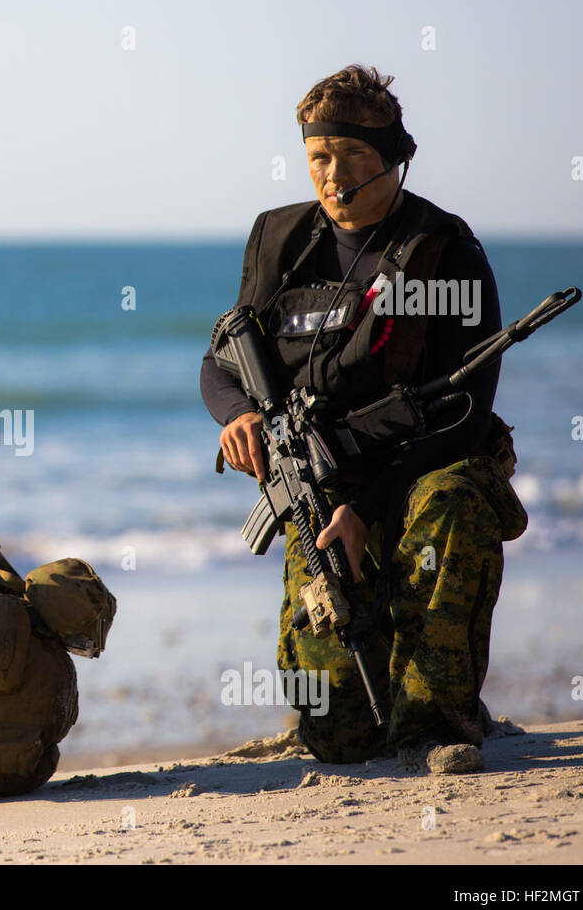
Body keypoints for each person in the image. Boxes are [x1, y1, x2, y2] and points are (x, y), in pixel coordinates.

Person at [199, 65, 528, 773]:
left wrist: (371, 504)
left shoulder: (444, 250)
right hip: (321, 482)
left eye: (353, 156)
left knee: (453, 501)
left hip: (425, 468)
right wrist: (237, 418)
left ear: (394, 159)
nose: (333, 174)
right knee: (340, 738)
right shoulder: (279, 241)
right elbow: (222, 360)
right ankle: (378, 700)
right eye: (320, 156)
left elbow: (469, 414)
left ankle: (440, 724)